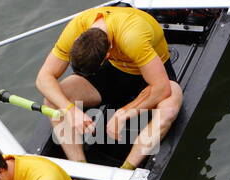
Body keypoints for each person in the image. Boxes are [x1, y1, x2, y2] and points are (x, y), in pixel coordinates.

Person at [36, 7, 181, 170]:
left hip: (150, 80)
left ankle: (126, 170)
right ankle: (81, 169)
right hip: (112, 75)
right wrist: (70, 110)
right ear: (77, 39)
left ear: (107, 55)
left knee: (168, 110)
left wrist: (122, 114)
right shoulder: (76, 27)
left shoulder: (132, 37)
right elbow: (43, 78)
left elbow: (161, 88)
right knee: (53, 100)